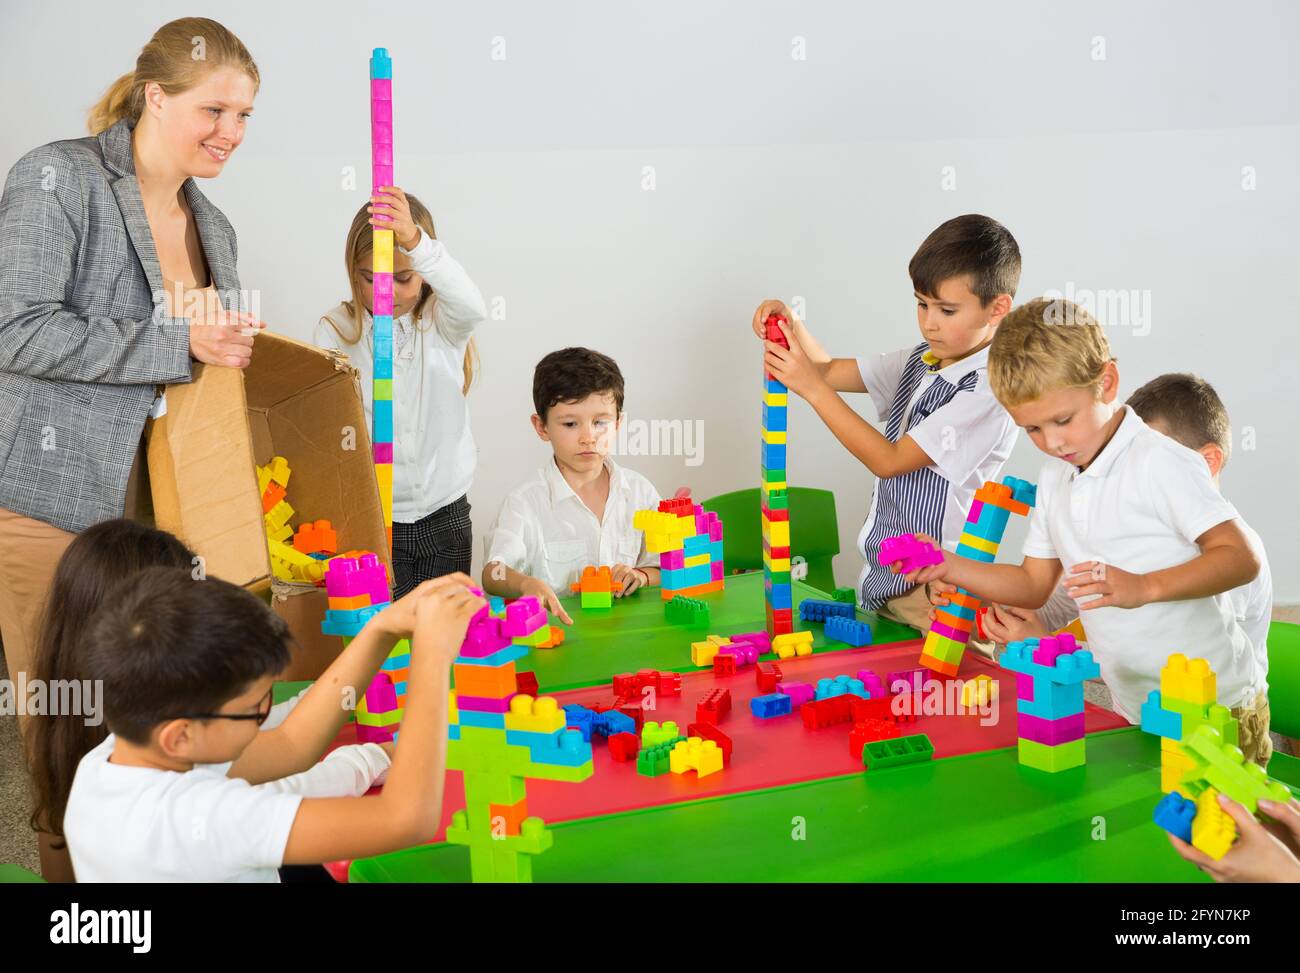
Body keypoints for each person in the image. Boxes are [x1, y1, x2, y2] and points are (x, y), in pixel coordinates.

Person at [0, 17, 265, 878]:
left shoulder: (213, 225)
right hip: (50, 501)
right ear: (155, 94)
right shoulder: (58, 178)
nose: (230, 132)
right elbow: (17, 327)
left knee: (160, 718)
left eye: (246, 116)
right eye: (214, 109)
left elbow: (192, 372)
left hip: (165, 513)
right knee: (68, 723)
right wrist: (178, 344)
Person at [886, 298, 1269, 764]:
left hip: (1216, 709)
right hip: (1136, 707)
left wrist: (1145, 586)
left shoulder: (1161, 460)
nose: (1053, 443)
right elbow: (1032, 584)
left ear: (1106, 383)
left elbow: (1240, 557)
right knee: (1157, 831)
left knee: (1224, 832)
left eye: (1063, 420)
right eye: (1032, 430)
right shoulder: (1056, 479)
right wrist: (949, 565)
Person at [64, 569, 482, 881]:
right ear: (180, 735)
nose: (268, 714)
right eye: (254, 709)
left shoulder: (119, 755)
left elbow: (291, 744)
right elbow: (407, 819)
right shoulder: (200, 819)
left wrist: (382, 627)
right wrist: (432, 657)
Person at [751, 214, 1021, 647]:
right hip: (887, 575)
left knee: (943, 694)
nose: (929, 322)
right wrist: (793, 328)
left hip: (937, 586)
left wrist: (813, 390)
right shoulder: (925, 357)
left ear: (998, 307)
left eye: (946, 310)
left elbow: (889, 460)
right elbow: (830, 370)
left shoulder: (988, 389)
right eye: (921, 304)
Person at [315, 188, 487, 595]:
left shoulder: (443, 320)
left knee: (444, 635)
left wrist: (416, 241)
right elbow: (331, 422)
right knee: (388, 642)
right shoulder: (336, 329)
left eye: (403, 277)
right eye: (370, 278)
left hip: (445, 516)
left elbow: (473, 305)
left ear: (424, 270)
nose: (385, 292)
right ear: (351, 271)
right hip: (374, 517)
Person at [482, 348, 661, 622]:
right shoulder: (525, 503)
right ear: (541, 427)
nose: (588, 437)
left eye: (601, 422)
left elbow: (666, 567)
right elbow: (492, 573)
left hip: (630, 641)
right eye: (570, 424)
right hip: (559, 643)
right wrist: (526, 584)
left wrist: (641, 575)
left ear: (618, 423)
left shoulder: (640, 492)